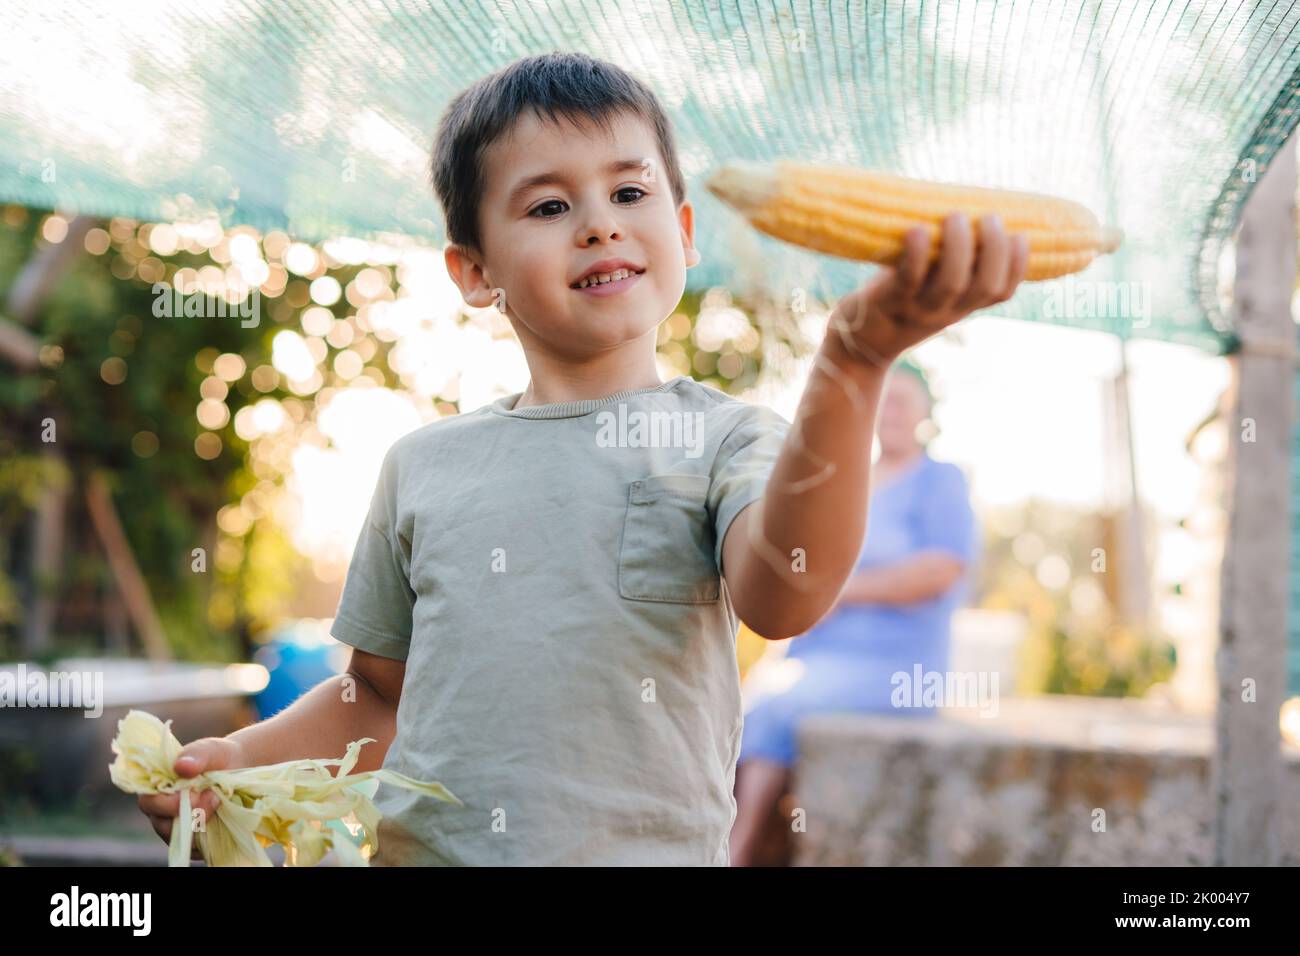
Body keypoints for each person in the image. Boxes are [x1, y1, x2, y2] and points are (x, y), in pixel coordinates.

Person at [136, 52, 1028, 865]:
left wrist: (853, 362)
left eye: (630, 193)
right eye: (550, 206)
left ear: (683, 230)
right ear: (474, 271)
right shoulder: (422, 465)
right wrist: (237, 759)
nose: (600, 225)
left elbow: (787, 591)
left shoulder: (728, 440)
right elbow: (375, 694)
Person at [729, 358, 980, 866]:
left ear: (926, 412)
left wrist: (841, 593)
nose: (890, 412)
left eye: (903, 401)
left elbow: (940, 570)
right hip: (816, 655)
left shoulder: (941, 480)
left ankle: (734, 850)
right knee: (736, 706)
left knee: (776, 707)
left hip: (896, 668)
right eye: (882, 400)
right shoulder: (848, 479)